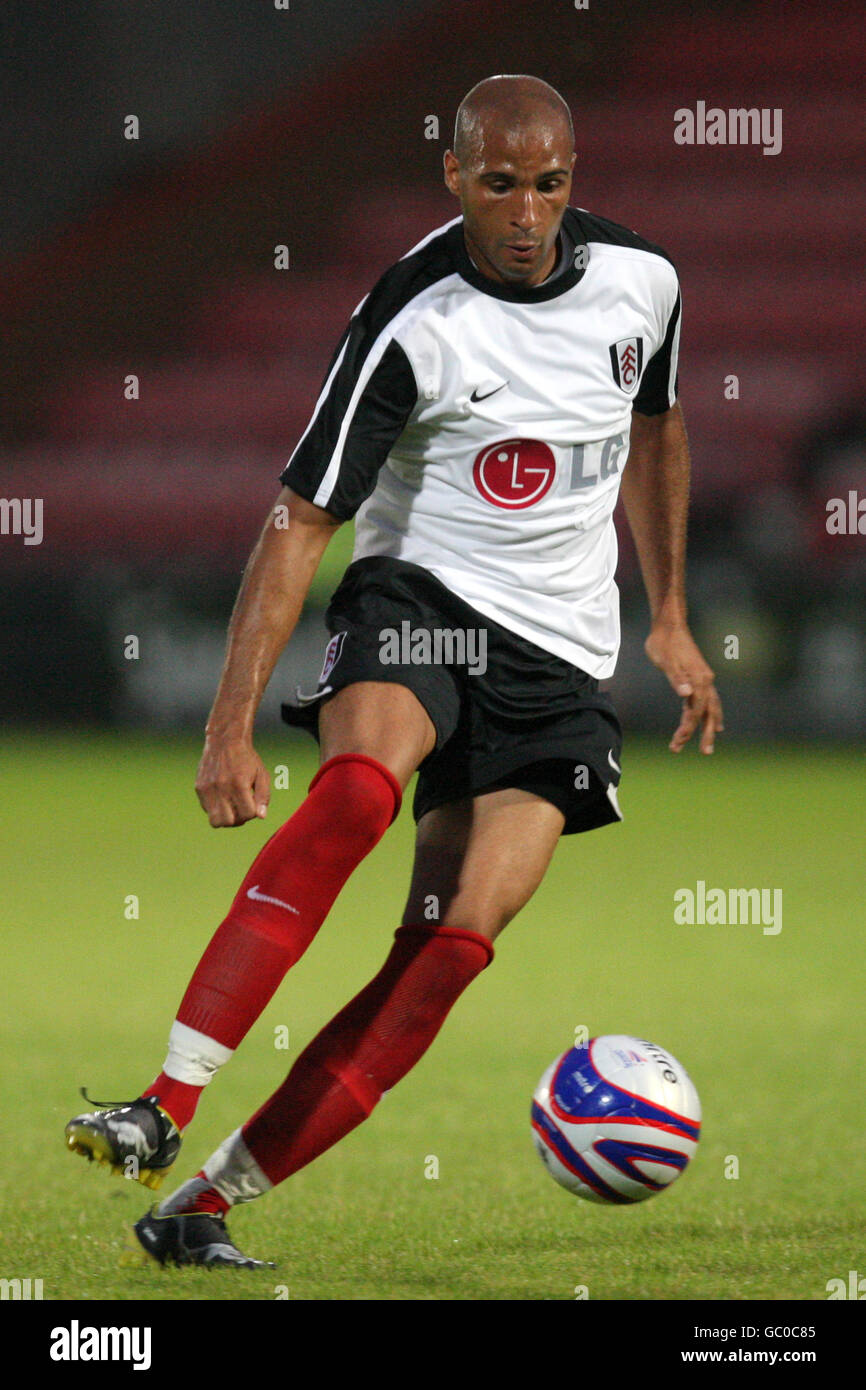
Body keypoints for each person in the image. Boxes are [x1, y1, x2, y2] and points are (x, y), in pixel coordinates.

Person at [65, 74, 723, 1269]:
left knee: (449, 944)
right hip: (421, 599)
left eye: (550, 184)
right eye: (500, 183)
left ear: (573, 180)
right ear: (455, 176)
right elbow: (299, 519)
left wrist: (669, 612)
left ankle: (201, 1205)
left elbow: (658, 426)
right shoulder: (412, 316)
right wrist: (228, 726)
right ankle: (161, 1102)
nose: (526, 214)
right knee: (360, 792)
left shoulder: (645, 284)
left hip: (562, 657)